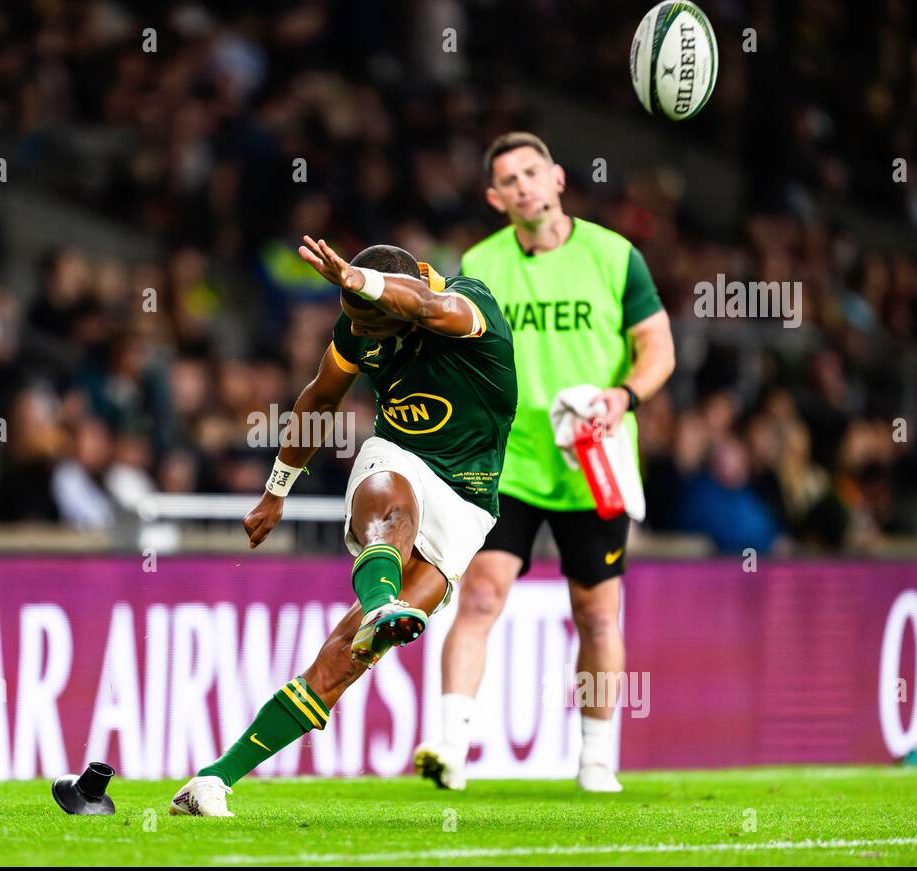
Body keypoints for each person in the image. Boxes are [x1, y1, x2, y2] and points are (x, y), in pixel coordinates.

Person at [170, 236, 516, 816]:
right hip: (400, 457)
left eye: (370, 320)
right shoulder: (359, 323)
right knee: (388, 505)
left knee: (341, 663)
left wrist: (361, 284)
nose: (359, 330)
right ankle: (381, 603)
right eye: (350, 316)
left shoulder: (466, 304)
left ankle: (206, 780)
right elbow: (320, 397)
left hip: (469, 499)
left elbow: (432, 310)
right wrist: (276, 490)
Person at [414, 133, 675, 793]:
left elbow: (658, 349)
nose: (525, 185)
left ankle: (596, 757)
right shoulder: (479, 264)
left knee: (595, 613)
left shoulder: (616, 257)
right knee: (478, 593)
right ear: (494, 197)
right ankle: (448, 745)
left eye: (534, 171)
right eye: (510, 179)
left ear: (558, 178)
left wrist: (623, 395)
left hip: (594, 460)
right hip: (509, 462)